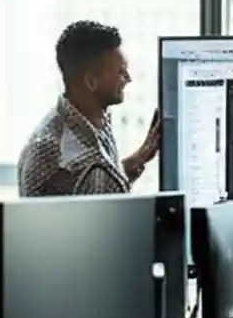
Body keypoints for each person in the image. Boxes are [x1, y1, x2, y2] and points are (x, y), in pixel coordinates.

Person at [18, 21, 161, 197]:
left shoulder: (88, 122)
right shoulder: (55, 151)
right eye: (120, 71)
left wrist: (141, 157)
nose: (128, 78)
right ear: (91, 81)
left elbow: (94, 188)